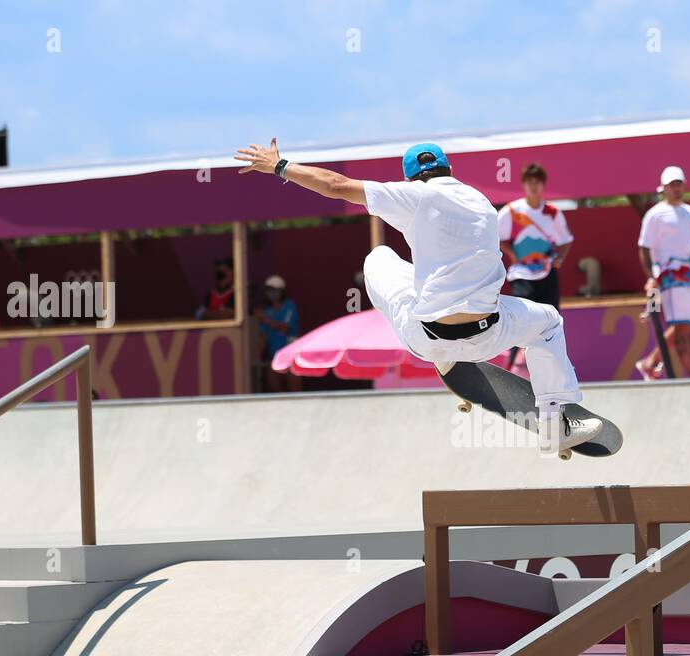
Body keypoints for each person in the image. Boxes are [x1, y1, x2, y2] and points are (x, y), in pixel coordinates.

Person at [234, 138, 599, 455]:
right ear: (450, 169)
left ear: (410, 178)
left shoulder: (413, 195)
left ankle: (443, 354)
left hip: (425, 335)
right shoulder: (483, 202)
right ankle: (554, 421)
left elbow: (336, 185)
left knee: (379, 258)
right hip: (491, 334)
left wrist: (279, 166)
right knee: (549, 321)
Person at [635, 165, 690, 379]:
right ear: (664, 188)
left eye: (679, 184)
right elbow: (644, 248)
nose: (676, 189)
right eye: (672, 185)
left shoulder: (689, 212)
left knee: (685, 328)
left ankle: (650, 362)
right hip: (667, 276)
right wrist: (650, 276)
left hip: (688, 276)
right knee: (678, 326)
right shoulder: (654, 215)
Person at [498, 162, 573, 369]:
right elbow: (496, 237)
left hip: (547, 272)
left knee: (552, 319)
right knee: (521, 319)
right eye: (530, 183)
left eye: (537, 183)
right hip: (522, 275)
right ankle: (511, 366)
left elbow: (566, 239)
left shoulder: (552, 212)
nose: (533, 187)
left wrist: (559, 259)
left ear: (543, 185)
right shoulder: (512, 211)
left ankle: (554, 366)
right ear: (524, 185)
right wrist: (513, 254)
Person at [256, 274, 300, 392]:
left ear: (281, 291)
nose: (271, 293)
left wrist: (263, 318)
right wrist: (258, 353)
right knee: (276, 391)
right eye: (269, 290)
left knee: (294, 390)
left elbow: (284, 327)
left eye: (274, 290)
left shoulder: (289, 306)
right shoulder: (268, 311)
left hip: (291, 355)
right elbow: (263, 336)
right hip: (273, 356)